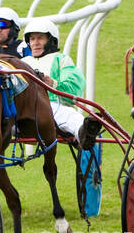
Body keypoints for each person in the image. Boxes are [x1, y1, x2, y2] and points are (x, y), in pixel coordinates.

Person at [20, 17, 101, 152]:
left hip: (53, 107)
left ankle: (84, 133)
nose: (35, 43)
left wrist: (54, 84)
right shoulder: (22, 62)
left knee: (70, 116)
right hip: (23, 109)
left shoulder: (61, 59)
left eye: (40, 38)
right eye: (32, 39)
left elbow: (74, 85)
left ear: (51, 40)